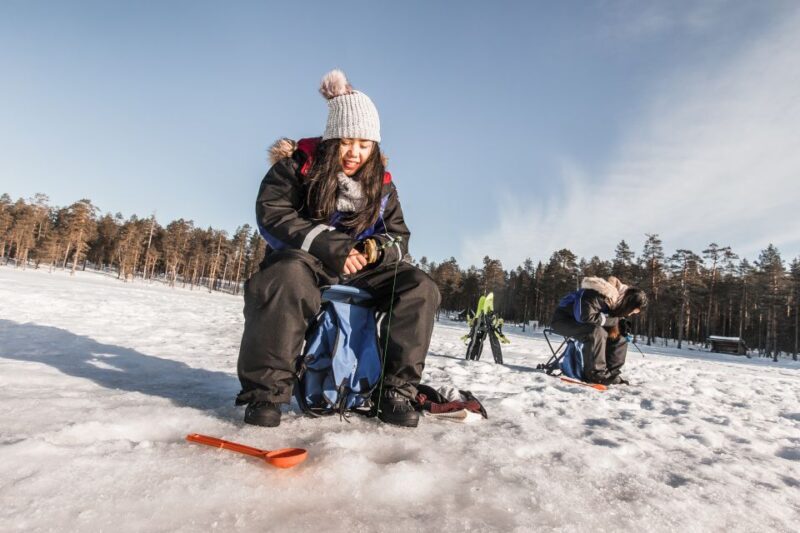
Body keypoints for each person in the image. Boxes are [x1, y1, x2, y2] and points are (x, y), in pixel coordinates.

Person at [236, 69, 440, 428]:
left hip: (363, 269)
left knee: (419, 287)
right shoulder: (297, 168)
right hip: (306, 262)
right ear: (332, 139)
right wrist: (334, 248)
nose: (355, 153)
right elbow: (273, 214)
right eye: (347, 142)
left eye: (365, 144)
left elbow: (398, 236)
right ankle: (266, 394)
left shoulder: (383, 186)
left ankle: (395, 391)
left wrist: (375, 250)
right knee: (285, 277)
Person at [550, 276, 648, 385]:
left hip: (584, 324)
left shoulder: (615, 301)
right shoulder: (596, 293)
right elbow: (584, 316)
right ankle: (596, 374)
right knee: (596, 332)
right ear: (629, 304)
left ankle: (610, 374)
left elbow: (605, 319)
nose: (630, 314)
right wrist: (614, 321)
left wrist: (620, 323)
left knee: (619, 335)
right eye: (632, 311)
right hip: (563, 321)